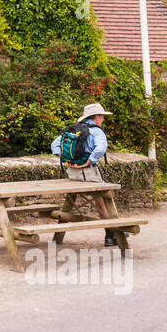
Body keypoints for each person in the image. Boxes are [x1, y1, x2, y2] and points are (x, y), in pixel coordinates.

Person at [51, 102, 116, 246]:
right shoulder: (97, 131)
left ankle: (58, 237)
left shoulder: (75, 129)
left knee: (71, 201)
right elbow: (101, 148)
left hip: (72, 173)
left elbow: (54, 145)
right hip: (88, 173)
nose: (103, 119)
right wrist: (89, 161)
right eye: (102, 116)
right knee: (102, 201)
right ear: (97, 117)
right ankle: (111, 235)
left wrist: (67, 159)